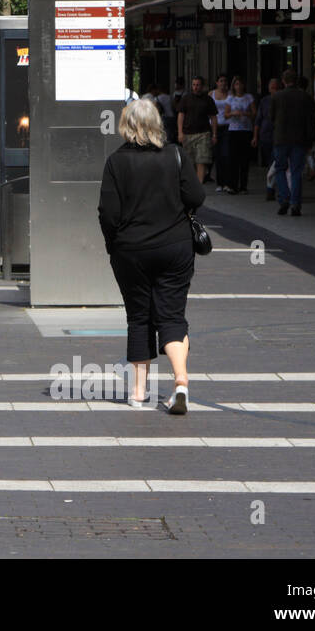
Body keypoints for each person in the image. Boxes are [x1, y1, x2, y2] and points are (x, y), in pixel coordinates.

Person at [98, 98, 204, 414]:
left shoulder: (116, 162)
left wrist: (113, 245)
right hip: (175, 246)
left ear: (126, 126)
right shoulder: (175, 156)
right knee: (172, 314)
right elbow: (197, 196)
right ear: (157, 123)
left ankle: (138, 392)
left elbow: (108, 213)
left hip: (131, 250)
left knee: (139, 315)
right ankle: (181, 383)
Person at [270, 69, 315, 216]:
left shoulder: (276, 97)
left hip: (281, 138)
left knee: (280, 169)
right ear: (297, 81)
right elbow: (311, 119)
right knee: (297, 171)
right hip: (299, 139)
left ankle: (284, 197)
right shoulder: (306, 97)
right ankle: (295, 203)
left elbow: (271, 118)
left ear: (283, 81)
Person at [175, 76, 217, 183]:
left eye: (198, 85)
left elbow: (213, 117)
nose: (195, 87)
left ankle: (199, 184)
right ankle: (193, 183)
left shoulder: (208, 99)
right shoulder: (186, 98)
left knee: (201, 160)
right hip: (188, 133)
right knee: (190, 161)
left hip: (204, 133)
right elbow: (181, 115)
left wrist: (214, 134)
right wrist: (180, 132)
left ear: (202, 86)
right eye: (194, 85)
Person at [222, 77, 256, 194]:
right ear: (234, 86)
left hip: (246, 130)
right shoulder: (230, 98)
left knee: (244, 159)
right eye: (236, 84)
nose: (238, 86)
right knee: (233, 158)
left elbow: (254, 114)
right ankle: (232, 185)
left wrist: (245, 113)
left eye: (240, 83)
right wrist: (232, 113)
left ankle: (243, 186)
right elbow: (225, 115)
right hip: (234, 130)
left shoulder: (249, 97)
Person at [253, 78, 280, 200]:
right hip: (266, 136)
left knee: (276, 163)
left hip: (279, 137)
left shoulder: (282, 100)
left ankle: (272, 188)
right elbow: (258, 120)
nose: (274, 90)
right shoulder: (264, 101)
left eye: (276, 87)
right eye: (272, 87)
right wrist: (255, 136)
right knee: (270, 163)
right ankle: (271, 188)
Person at [209, 74, 230, 190]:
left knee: (226, 154)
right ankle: (219, 183)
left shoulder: (230, 94)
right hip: (215, 127)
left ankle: (227, 182)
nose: (223, 83)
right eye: (221, 81)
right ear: (217, 83)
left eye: (225, 81)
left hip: (228, 126)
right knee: (217, 155)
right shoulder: (211, 94)